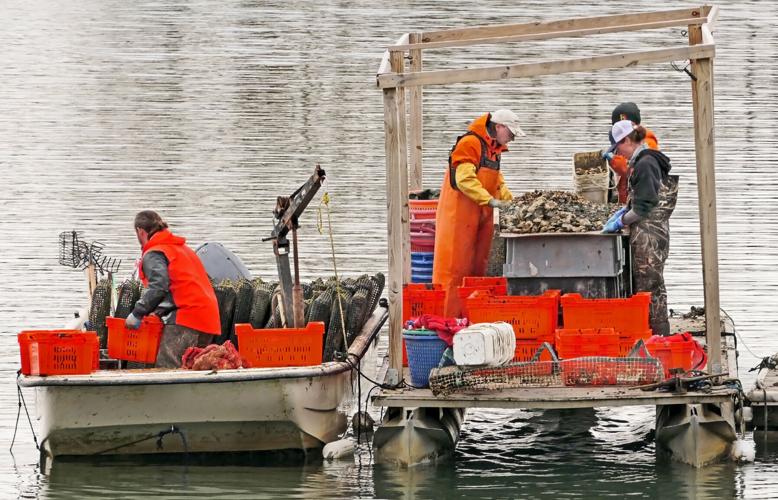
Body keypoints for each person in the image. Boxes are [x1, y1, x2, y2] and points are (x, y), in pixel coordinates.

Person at [432, 109, 524, 317]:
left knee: (477, 270)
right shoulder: (470, 143)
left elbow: (497, 181)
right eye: (510, 133)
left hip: (481, 216)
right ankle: (447, 321)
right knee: (453, 272)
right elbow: (464, 179)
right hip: (458, 216)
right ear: (499, 127)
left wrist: (514, 203)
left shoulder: (494, 149)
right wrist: (490, 201)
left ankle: (469, 319)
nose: (512, 138)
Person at [602, 120, 679, 337]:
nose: (618, 153)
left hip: (649, 236)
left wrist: (621, 221)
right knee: (653, 287)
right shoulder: (647, 159)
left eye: (618, 147)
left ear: (627, 140)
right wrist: (624, 210)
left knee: (650, 289)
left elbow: (644, 207)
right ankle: (655, 336)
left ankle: (657, 338)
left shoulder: (646, 163)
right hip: (655, 233)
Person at [126, 210, 221, 367]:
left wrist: (137, 313)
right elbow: (179, 286)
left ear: (140, 232)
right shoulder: (181, 249)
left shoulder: (154, 253)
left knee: (167, 366)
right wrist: (158, 312)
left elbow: (159, 286)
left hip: (187, 318)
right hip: (209, 318)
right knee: (194, 368)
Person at [606, 103, 660, 203]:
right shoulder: (619, 140)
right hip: (627, 200)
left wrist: (614, 161)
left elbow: (637, 171)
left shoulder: (647, 142)